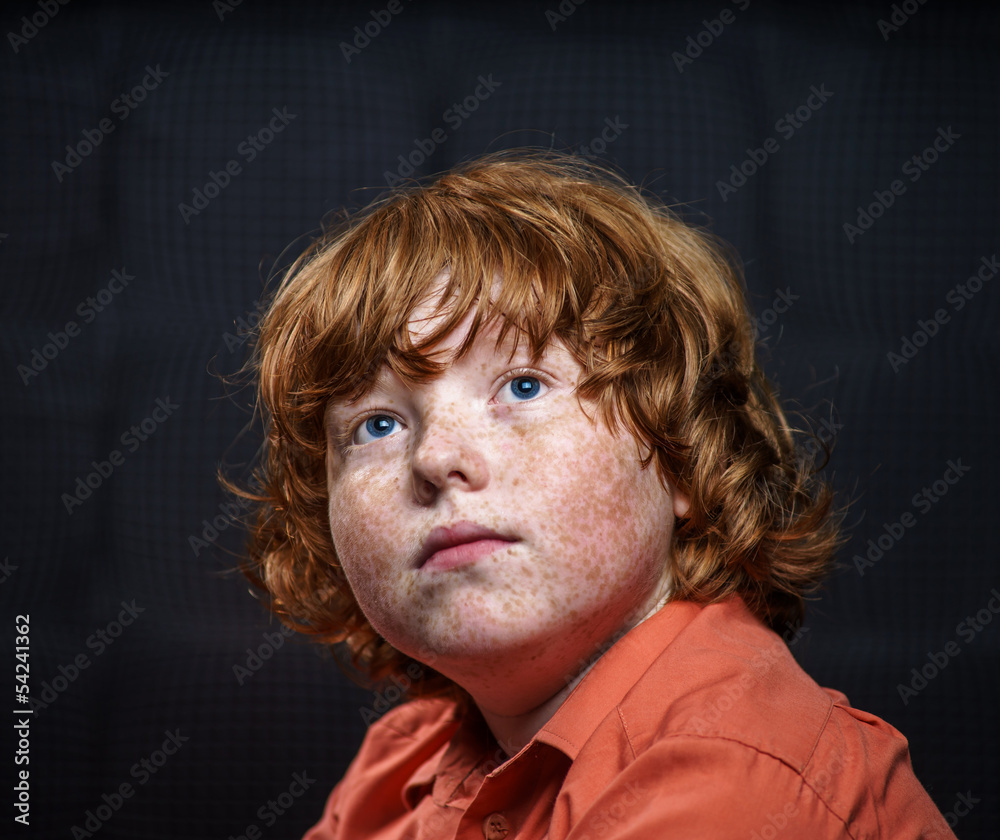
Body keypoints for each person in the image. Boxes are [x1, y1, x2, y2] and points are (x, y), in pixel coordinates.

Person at [235, 150, 956, 838]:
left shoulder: (736, 772)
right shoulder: (401, 760)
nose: (437, 457)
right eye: (377, 425)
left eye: (523, 385)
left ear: (680, 456)